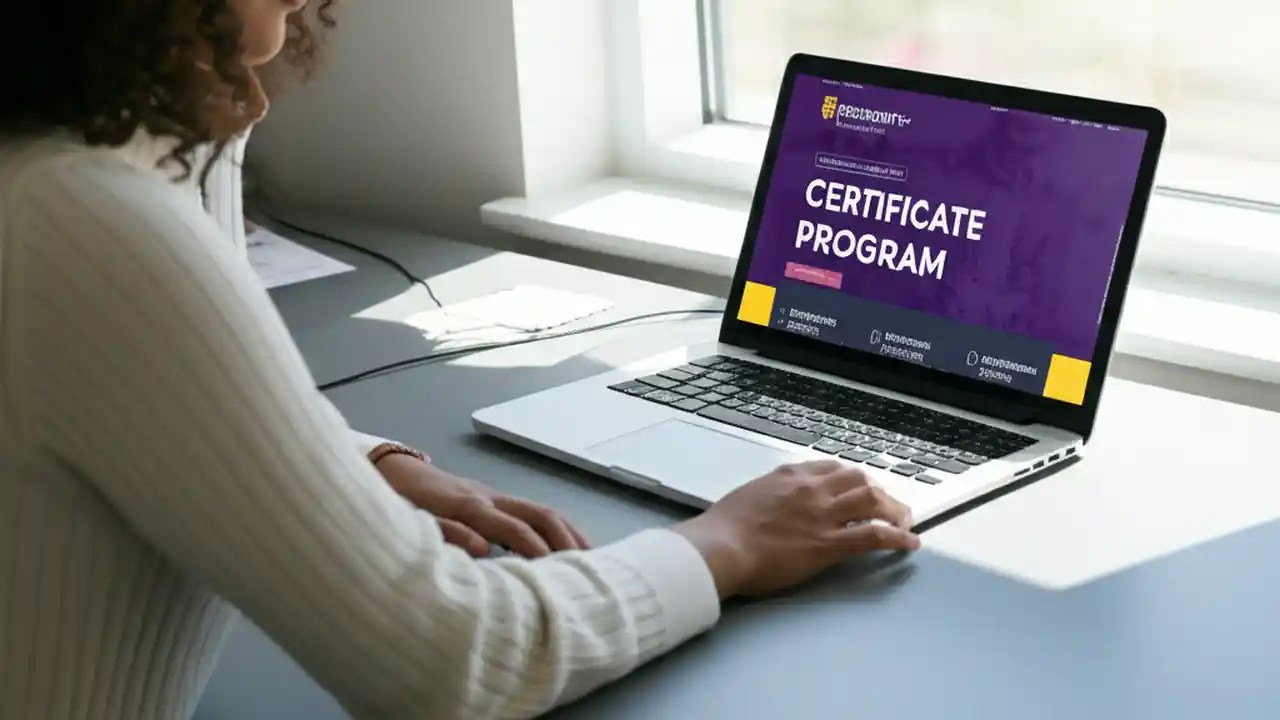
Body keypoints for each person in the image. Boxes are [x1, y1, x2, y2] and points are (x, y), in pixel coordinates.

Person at [0, 2, 921, 718]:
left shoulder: (67, 170)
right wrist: (726, 544)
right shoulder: (82, 218)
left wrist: (357, 462)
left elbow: (132, 386)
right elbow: (451, 662)